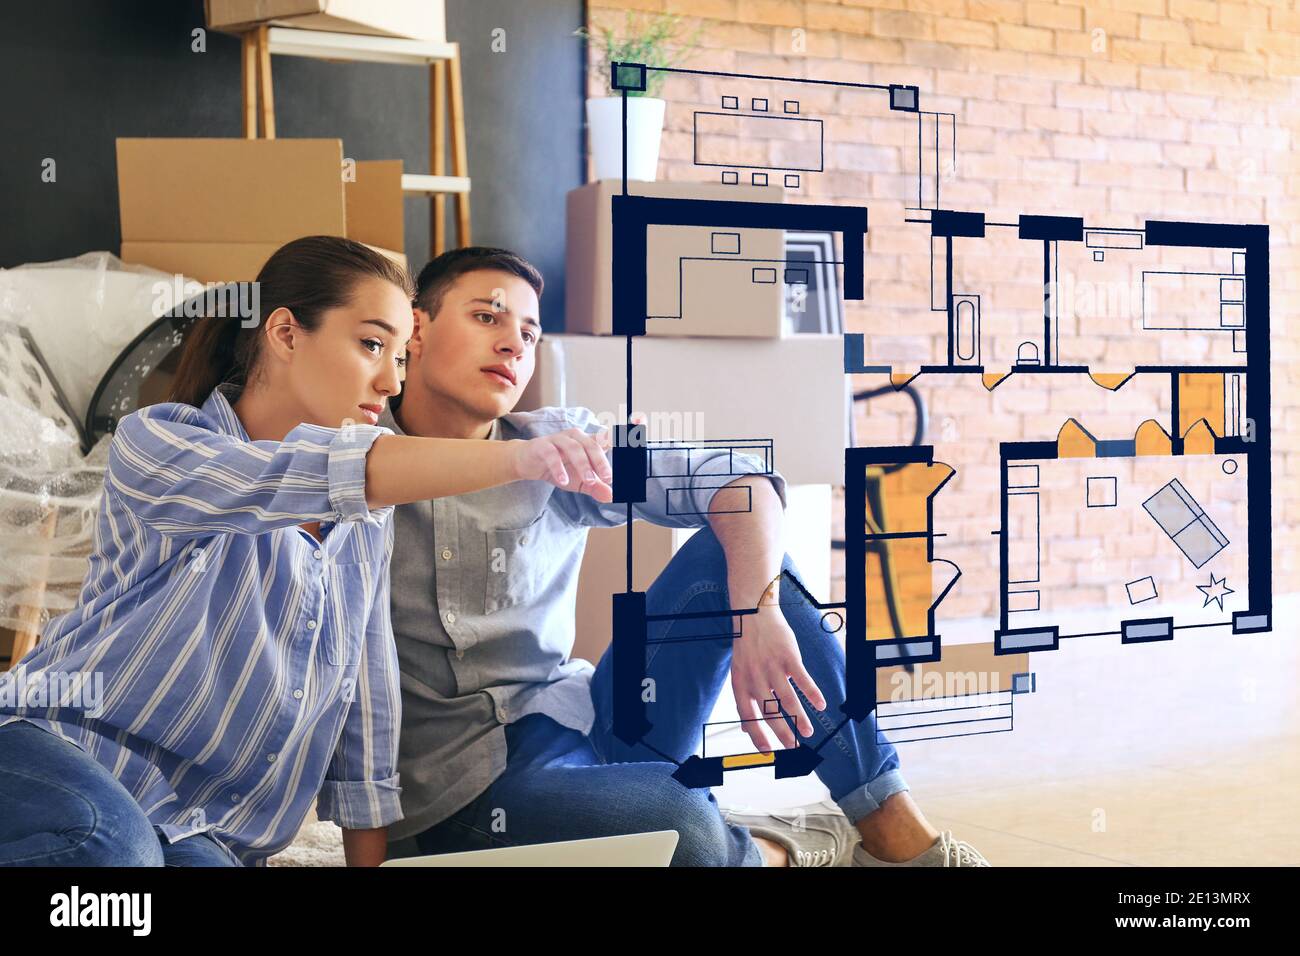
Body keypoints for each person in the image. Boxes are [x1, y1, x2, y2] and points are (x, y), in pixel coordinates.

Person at [0, 236, 615, 867]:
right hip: (59, 752)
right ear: (286, 334)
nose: (391, 379)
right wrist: (520, 457)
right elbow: (293, 477)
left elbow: (368, 704)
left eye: (401, 356)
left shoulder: (368, 520)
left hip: (205, 824)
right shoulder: (158, 445)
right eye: (373, 345)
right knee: (112, 852)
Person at [381, 246, 990, 867]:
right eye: (488, 318)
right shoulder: (354, 466)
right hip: (471, 788)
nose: (514, 344)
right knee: (681, 822)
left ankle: (898, 838)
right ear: (417, 327)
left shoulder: (556, 444)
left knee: (740, 565)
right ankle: (767, 847)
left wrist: (758, 613)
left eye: (529, 332)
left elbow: (742, 481)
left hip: (592, 726)